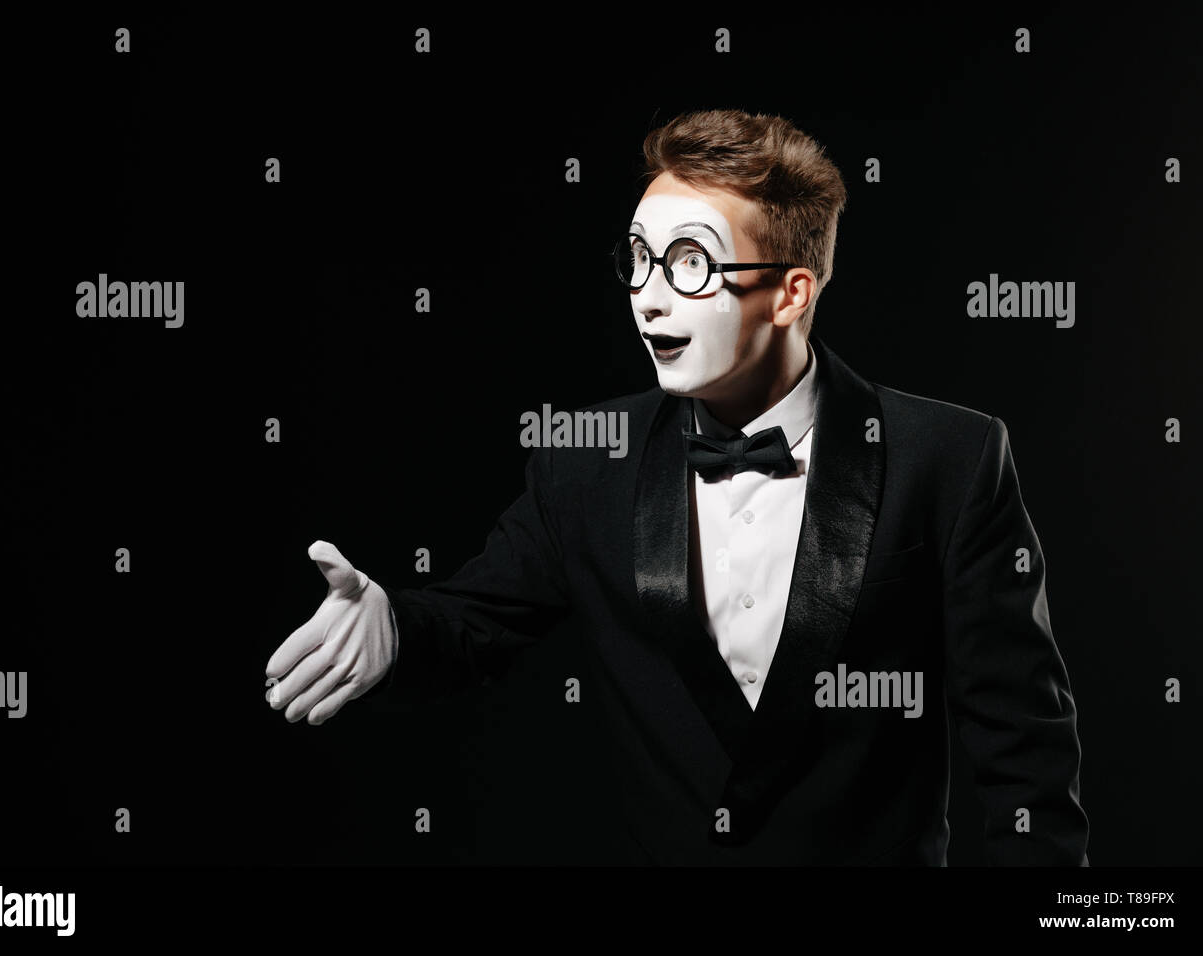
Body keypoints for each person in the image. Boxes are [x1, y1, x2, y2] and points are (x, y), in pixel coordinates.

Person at [264, 108, 1090, 866]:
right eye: (638, 260)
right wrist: (396, 628)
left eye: (691, 263)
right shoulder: (586, 460)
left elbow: (1025, 755)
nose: (649, 300)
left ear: (790, 292)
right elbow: (476, 622)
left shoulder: (949, 456)